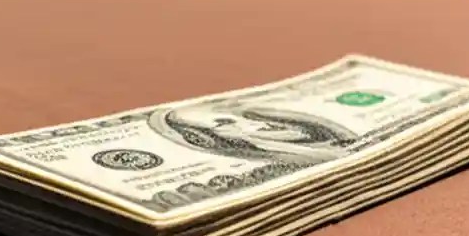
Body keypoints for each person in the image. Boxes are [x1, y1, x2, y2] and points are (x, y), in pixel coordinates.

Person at [148, 104, 357, 167]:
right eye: (224, 125)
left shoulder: (329, 132)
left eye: (235, 116)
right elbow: (329, 159)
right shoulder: (287, 155)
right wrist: (255, 140)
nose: (256, 123)